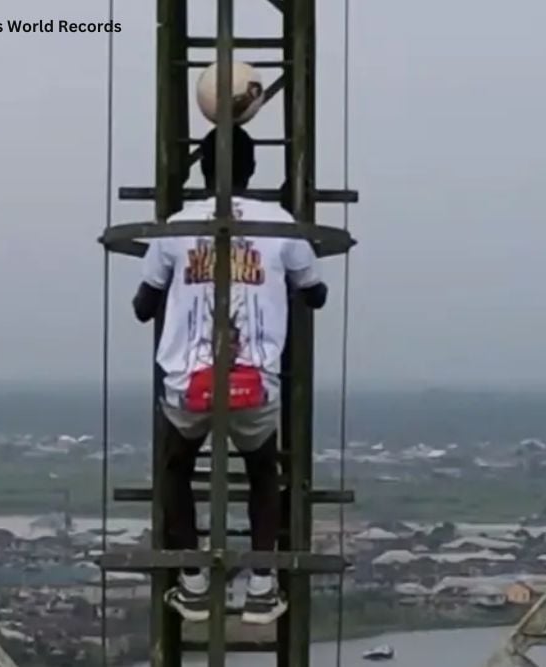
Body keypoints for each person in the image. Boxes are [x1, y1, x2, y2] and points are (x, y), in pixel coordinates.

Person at [131, 125, 328, 625]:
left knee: (176, 467)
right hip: (254, 377)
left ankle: (193, 583)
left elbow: (143, 306)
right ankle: (262, 585)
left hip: (187, 380)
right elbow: (316, 293)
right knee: (264, 471)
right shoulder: (281, 224)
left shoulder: (175, 226)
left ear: (199, 169)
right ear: (252, 169)